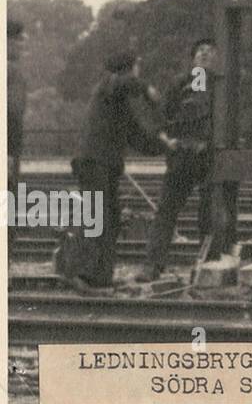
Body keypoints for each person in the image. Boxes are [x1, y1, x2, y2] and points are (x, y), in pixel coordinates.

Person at [55, 51, 178, 294]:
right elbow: (123, 83)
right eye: (137, 67)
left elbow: (138, 135)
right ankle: (79, 273)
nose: (138, 72)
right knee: (95, 215)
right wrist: (146, 89)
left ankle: (100, 277)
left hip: (106, 165)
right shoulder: (108, 86)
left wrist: (166, 145)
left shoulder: (119, 102)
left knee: (110, 218)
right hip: (94, 162)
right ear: (130, 68)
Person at [137, 38, 236, 281]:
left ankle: (198, 263)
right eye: (200, 50)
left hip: (203, 154)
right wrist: (173, 139)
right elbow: (168, 114)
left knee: (200, 211)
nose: (204, 54)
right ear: (192, 58)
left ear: (218, 58)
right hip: (190, 153)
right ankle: (158, 265)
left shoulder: (216, 83)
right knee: (174, 210)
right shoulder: (191, 81)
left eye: (210, 51)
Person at [7, 19, 27, 258]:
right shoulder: (12, 72)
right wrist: (10, 154)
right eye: (20, 40)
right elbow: (12, 113)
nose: (22, 46)